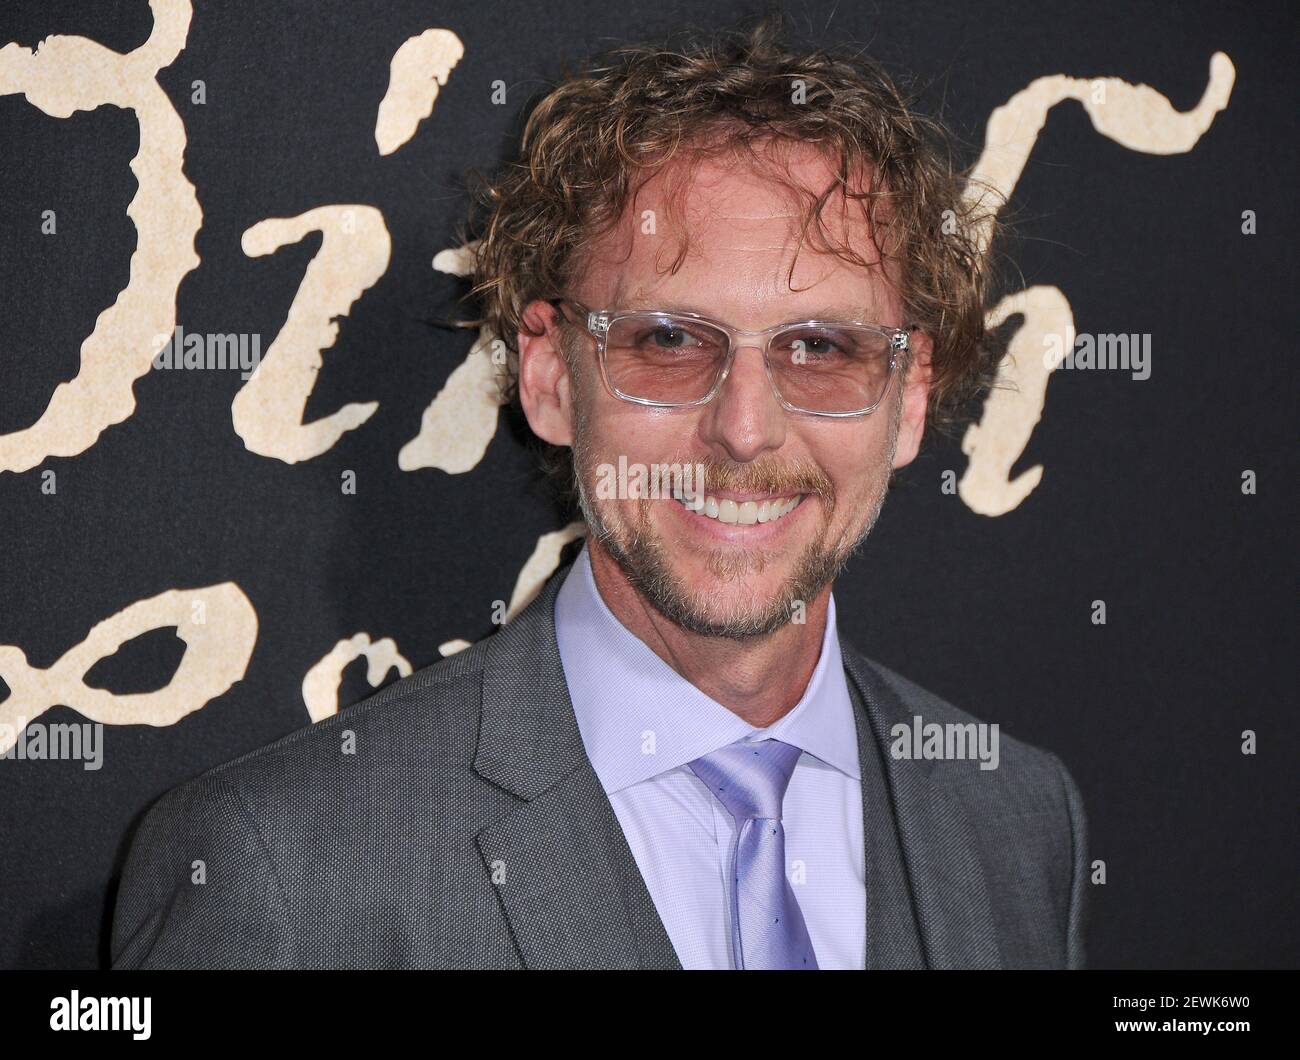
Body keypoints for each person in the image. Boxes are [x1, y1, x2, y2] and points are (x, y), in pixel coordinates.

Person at [112, 14, 1086, 970]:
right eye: (668, 340)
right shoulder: (280, 875)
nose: (744, 430)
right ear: (547, 374)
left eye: (819, 348)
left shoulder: (1018, 820)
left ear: (907, 399)